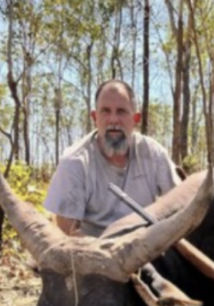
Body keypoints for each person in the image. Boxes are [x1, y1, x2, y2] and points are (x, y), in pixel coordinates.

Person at [45, 80, 180, 237]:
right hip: (95, 252)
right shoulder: (74, 162)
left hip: (146, 247)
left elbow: (179, 203)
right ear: (95, 117)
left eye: (121, 111)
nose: (113, 119)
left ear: (135, 119)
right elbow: (67, 230)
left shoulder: (154, 154)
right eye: (105, 111)